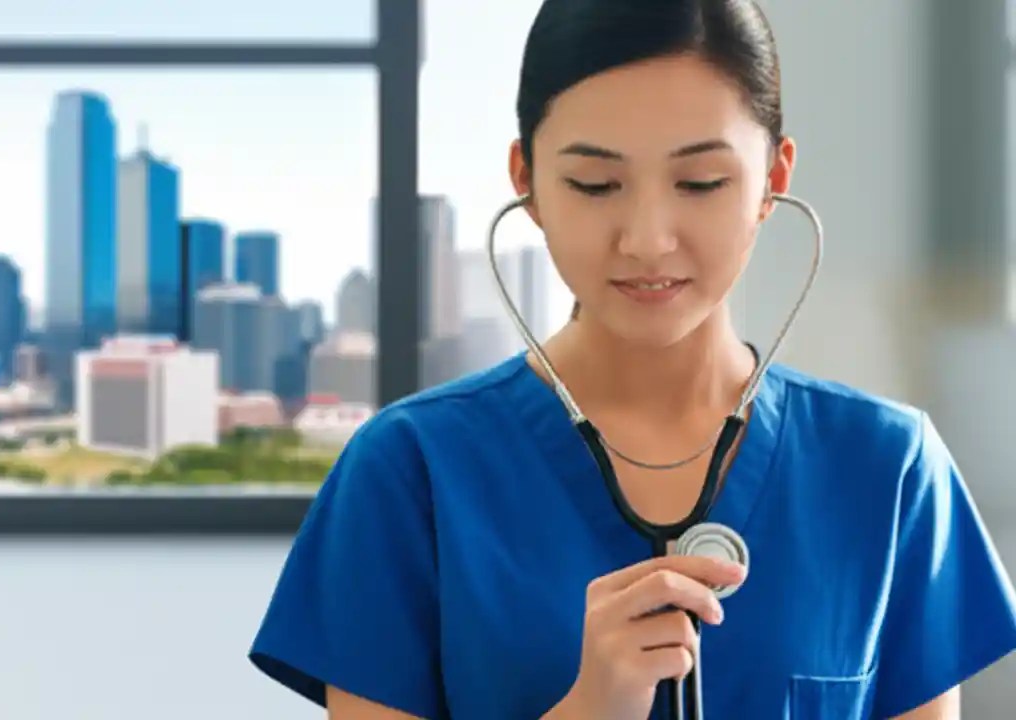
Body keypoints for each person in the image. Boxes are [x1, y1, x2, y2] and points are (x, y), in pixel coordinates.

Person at [248, 0, 1016, 717]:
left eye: (701, 181)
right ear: (528, 180)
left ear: (772, 181)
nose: (648, 238)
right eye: (595, 183)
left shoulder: (888, 469)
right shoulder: (409, 471)